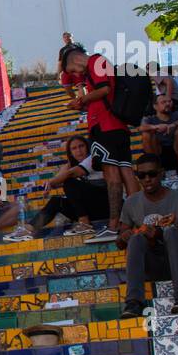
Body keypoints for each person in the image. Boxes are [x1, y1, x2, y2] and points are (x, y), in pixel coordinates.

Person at [62, 47, 138, 243]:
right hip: (116, 126)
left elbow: (105, 89)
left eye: (72, 70)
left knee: (111, 174)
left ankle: (114, 225)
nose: (76, 75)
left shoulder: (95, 62)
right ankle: (134, 220)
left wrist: (81, 100)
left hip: (105, 126)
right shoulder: (98, 65)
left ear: (75, 59)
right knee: (126, 173)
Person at [118, 153, 178, 317]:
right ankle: (133, 302)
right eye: (141, 175)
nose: (147, 179)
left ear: (161, 173)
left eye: (152, 174)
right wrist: (129, 234)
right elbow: (119, 242)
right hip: (151, 266)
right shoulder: (131, 202)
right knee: (137, 238)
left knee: (171, 231)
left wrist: (158, 233)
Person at [22, 135, 109, 237]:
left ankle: (85, 223)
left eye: (81, 146)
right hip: (92, 210)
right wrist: (50, 184)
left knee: (69, 182)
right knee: (56, 202)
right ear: (70, 152)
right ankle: (28, 229)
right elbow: (61, 176)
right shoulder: (71, 165)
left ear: (88, 147)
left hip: (106, 206)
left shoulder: (93, 158)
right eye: (74, 148)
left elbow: (69, 175)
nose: (79, 150)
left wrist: (51, 182)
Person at [140, 93, 178, 171]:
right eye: (163, 102)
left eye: (169, 101)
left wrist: (174, 124)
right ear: (155, 106)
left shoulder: (177, 114)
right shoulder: (149, 118)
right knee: (146, 134)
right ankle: (156, 168)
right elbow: (141, 127)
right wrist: (156, 127)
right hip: (160, 154)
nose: (168, 104)